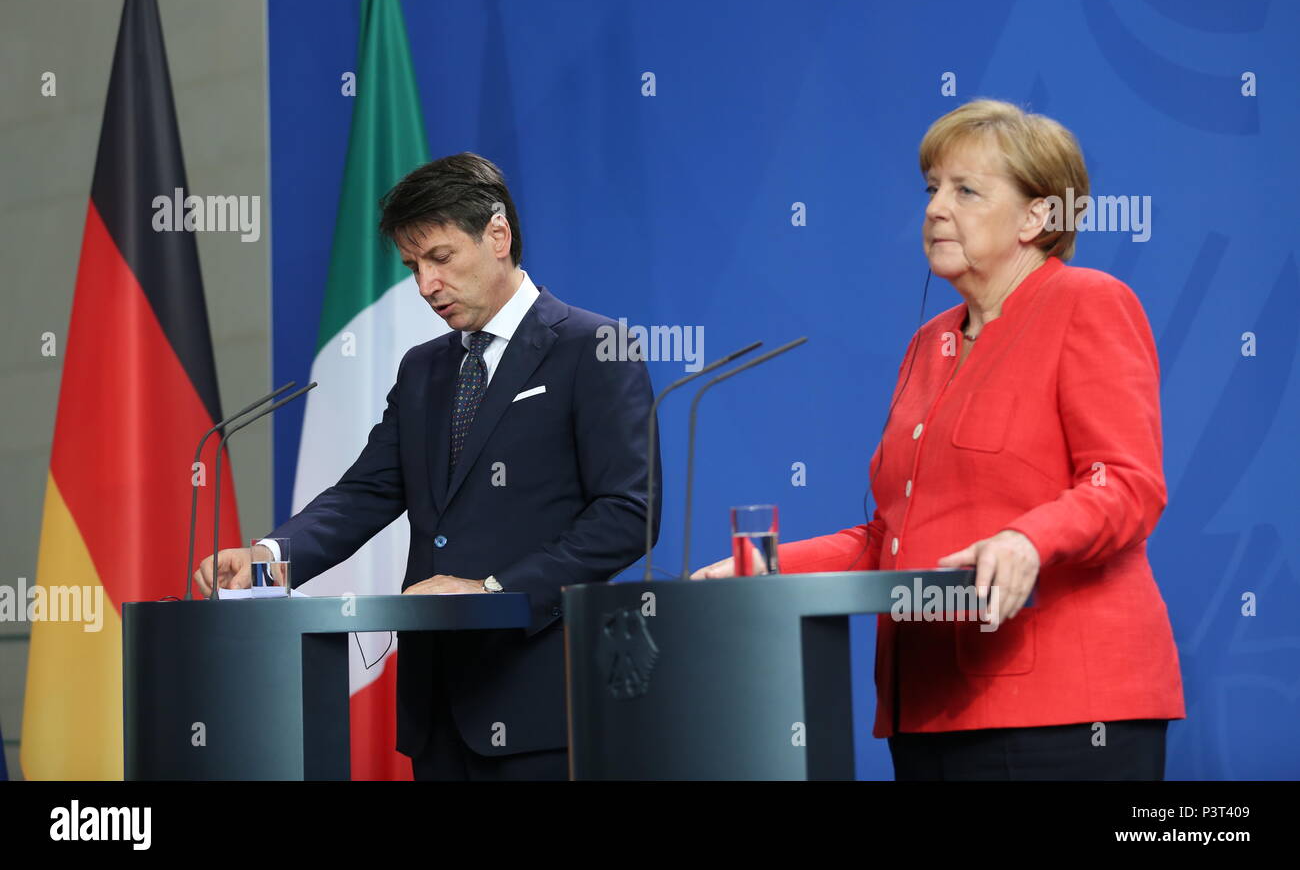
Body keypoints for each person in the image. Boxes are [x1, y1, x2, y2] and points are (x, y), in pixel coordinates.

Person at [694, 99, 1184, 780]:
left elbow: (1126, 484)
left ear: (1039, 216)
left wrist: (1027, 540)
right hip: (926, 711)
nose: (935, 209)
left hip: (1064, 713)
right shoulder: (931, 343)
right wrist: (765, 569)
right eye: (932, 189)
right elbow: (890, 538)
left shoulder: (1089, 302)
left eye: (966, 191)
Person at [195, 152, 661, 780]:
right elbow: (368, 490)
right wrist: (271, 556)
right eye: (413, 266)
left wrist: (492, 591)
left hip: (544, 702)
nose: (425, 286)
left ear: (498, 236)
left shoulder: (594, 348)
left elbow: (628, 514)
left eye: (440, 258)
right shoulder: (424, 367)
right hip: (437, 706)